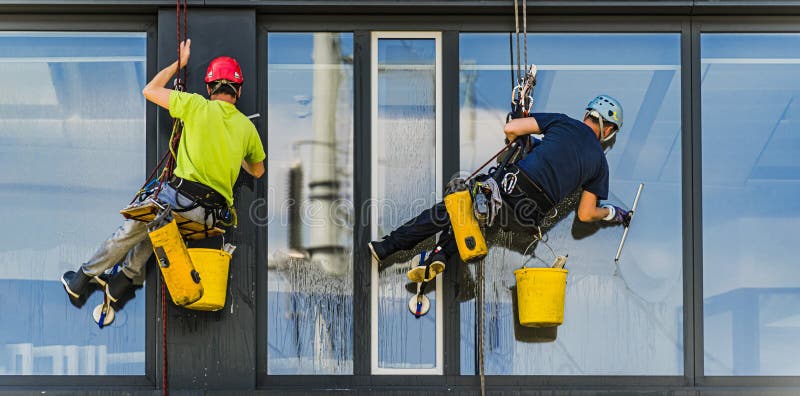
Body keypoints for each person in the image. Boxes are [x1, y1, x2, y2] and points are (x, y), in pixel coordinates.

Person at [61, 39, 266, 308]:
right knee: (157, 226)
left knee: (133, 228)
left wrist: (179, 64)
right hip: (209, 216)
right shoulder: (246, 128)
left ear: (209, 87)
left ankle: (82, 278)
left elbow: (150, 90)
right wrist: (235, 153)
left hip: (181, 200)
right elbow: (258, 171)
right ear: (237, 90)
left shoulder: (195, 105)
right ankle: (123, 281)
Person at [369, 95, 629, 282]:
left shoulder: (563, 123)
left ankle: (388, 247)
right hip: (529, 217)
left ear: (588, 115)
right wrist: (611, 213)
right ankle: (442, 254)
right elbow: (585, 214)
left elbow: (511, 128)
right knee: (475, 219)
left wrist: (533, 142)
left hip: (511, 187)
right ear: (607, 129)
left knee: (453, 207)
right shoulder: (600, 165)